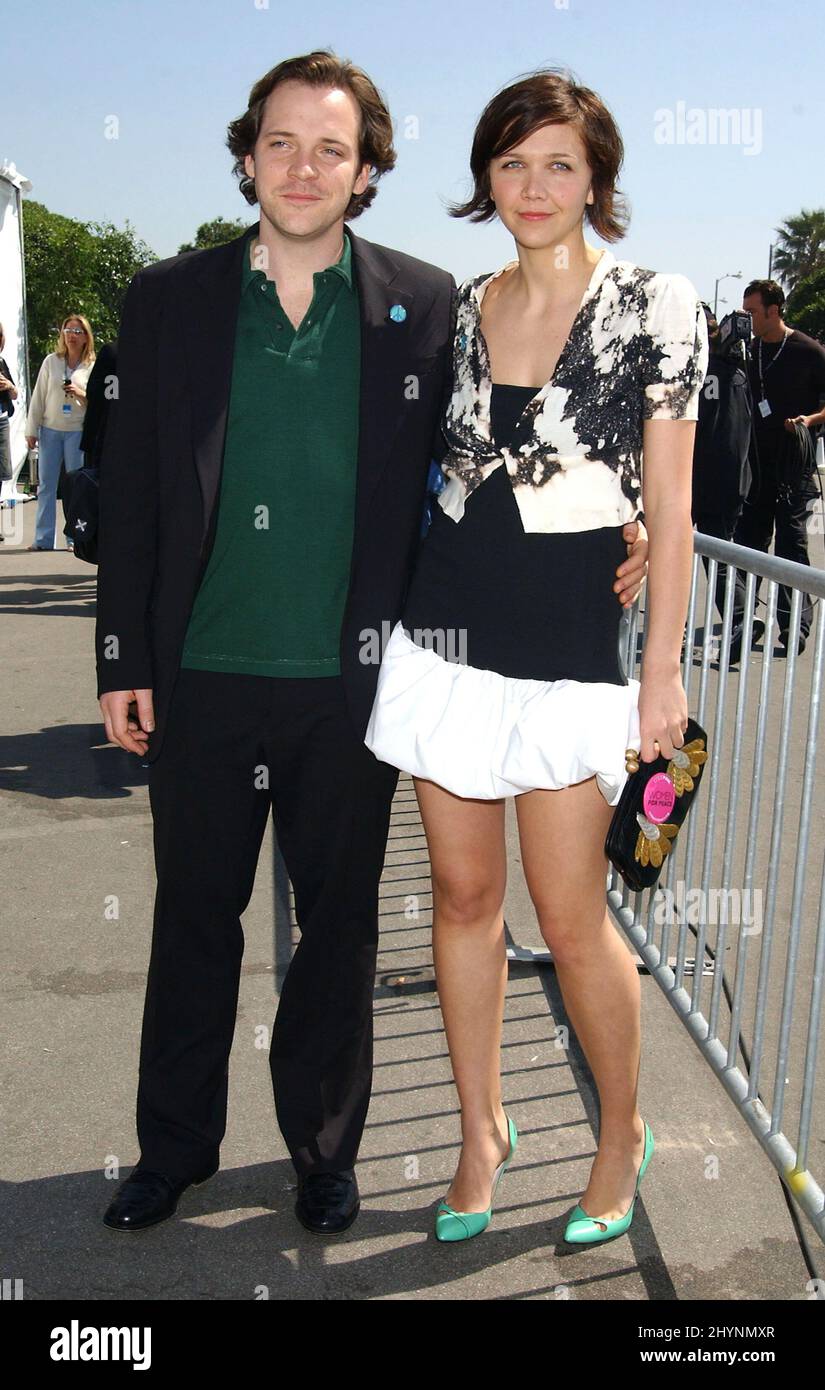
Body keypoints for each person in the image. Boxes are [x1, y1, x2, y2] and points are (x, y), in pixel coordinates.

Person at [95, 50, 649, 1239]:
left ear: (366, 172)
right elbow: (133, 496)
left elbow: (503, 449)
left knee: (339, 932)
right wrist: (120, 661)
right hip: (200, 675)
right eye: (282, 144)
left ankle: (324, 1153)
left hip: (356, 684)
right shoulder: (169, 300)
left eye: (331, 149)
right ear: (248, 157)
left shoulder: (424, 302)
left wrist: (637, 516)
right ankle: (174, 1150)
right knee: (193, 917)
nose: (304, 168)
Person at [365, 68, 708, 1246]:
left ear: (596, 177)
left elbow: (673, 502)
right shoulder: (464, 305)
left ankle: (621, 1135)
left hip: (572, 649)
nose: (534, 185)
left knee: (571, 918)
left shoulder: (659, 304)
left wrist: (661, 671)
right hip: (448, 634)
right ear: (485, 180)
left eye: (558, 162)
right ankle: (480, 1131)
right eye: (512, 163)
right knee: (463, 899)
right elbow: (435, 470)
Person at [731, 279, 825, 658]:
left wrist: (809, 419)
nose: (748, 318)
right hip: (755, 469)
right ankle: (742, 621)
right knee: (748, 545)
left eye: (752, 311)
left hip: (794, 469)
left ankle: (794, 626)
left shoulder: (809, 351)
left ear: (774, 311)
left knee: (791, 548)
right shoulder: (748, 351)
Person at [691, 302, 752, 627]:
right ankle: (740, 615)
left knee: (673, 557)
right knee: (720, 558)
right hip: (729, 482)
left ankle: (740, 616)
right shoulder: (738, 372)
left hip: (695, 483)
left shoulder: (691, 372)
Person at [25, 314, 95, 550]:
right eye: (67, 331)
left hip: (77, 430)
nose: (71, 336)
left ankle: (75, 536)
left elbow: (96, 401)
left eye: (77, 332)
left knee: (75, 485)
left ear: (86, 337)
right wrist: (31, 429)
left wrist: (80, 392)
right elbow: (38, 396)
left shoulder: (92, 365)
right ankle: (43, 539)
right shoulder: (51, 361)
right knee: (46, 485)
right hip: (50, 428)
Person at [0, 321, 20, 540]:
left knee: (1, 473)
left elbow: (15, 395)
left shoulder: (1, 362)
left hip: (2, 421)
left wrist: (9, 386)